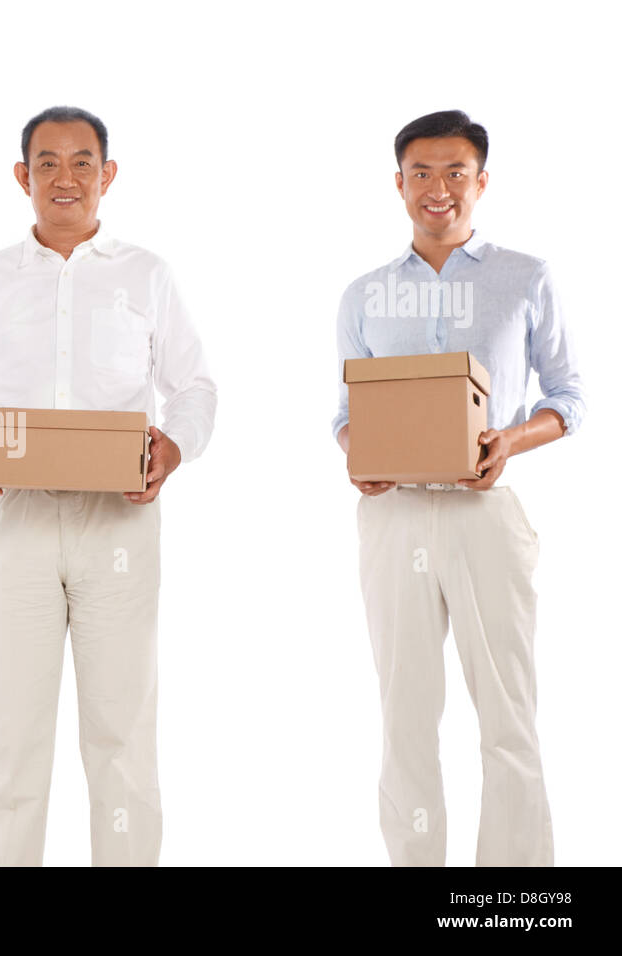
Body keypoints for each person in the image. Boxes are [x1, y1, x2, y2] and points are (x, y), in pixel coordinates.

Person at [0, 106, 217, 866]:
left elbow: (195, 385)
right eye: (47, 163)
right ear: (22, 177)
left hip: (120, 524)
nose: (64, 178)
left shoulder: (146, 275)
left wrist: (173, 446)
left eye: (81, 163)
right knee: (14, 736)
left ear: (107, 176)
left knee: (122, 732)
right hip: (16, 524)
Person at [333, 110, 586, 866]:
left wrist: (510, 439)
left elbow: (570, 398)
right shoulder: (365, 294)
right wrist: (358, 455)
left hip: (485, 513)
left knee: (507, 712)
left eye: (454, 173)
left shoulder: (525, 278)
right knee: (404, 714)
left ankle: (509, 898)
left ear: (481, 181)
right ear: (399, 183)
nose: (437, 190)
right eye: (421, 174)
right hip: (393, 517)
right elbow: (346, 415)